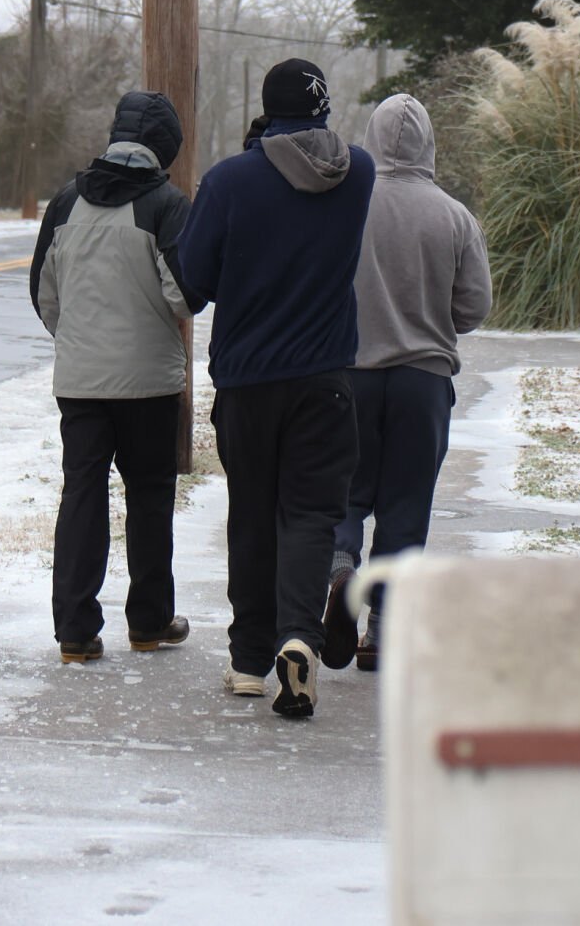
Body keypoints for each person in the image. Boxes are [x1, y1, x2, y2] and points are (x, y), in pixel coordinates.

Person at [177, 59, 375, 718]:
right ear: (324, 108)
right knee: (311, 515)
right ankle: (299, 637)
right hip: (326, 380)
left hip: (247, 381)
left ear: (266, 110)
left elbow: (193, 281)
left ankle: (246, 660)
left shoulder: (229, 181)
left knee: (253, 515)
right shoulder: (358, 173)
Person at [29, 90, 205, 665]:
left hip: (80, 382)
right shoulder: (167, 205)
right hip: (149, 383)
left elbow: (43, 292)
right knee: (149, 497)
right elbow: (183, 296)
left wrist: (77, 338)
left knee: (81, 492)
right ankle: (149, 623)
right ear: (165, 148)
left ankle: (75, 631)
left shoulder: (65, 202)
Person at [322, 93, 492, 673]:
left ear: (369, 136)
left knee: (343, 492)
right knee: (405, 507)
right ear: (429, 144)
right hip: (423, 382)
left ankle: (340, 567)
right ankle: (381, 631)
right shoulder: (454, 216)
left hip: (351, 373)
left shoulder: (345, 204)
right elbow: (473, 308)